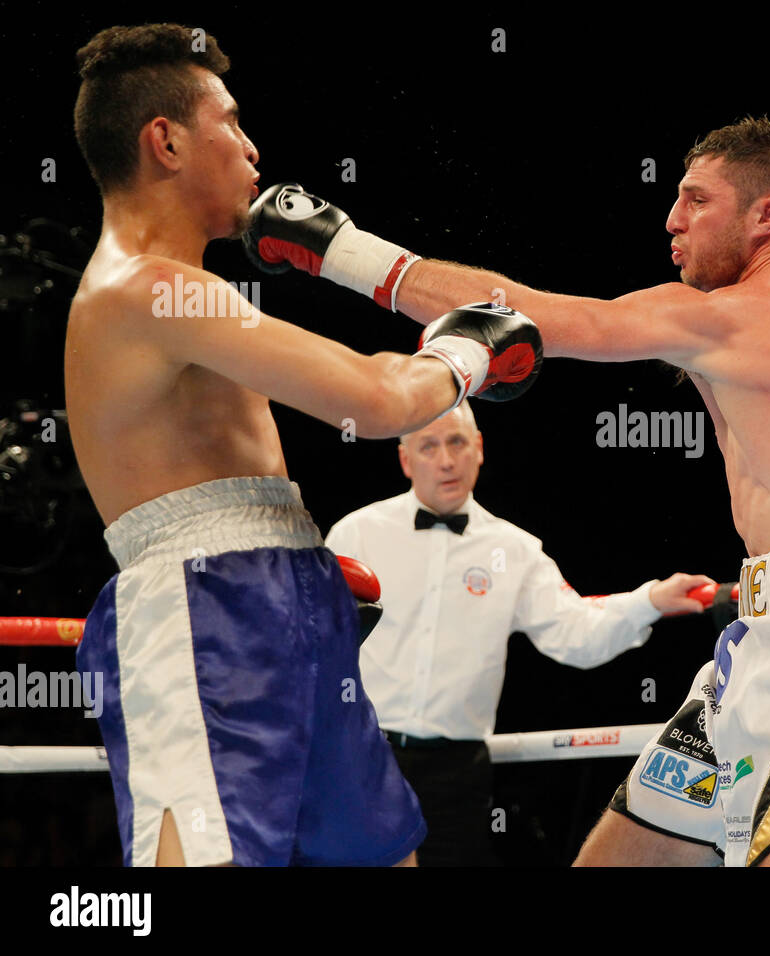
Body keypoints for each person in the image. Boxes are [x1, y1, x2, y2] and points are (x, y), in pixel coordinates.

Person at [245, 116, 770, 867]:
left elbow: (525, 314)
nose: (672, 219)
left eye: (698, 200)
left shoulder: (731, 318)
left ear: (767, 215)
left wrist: (343, 251)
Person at [64, 23, 540, 867]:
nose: (253, 150)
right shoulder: (146, 289)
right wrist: (468, 352)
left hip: (295, 592)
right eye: (234, 123)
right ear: (165, 140)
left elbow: (382, 371)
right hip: (202, 603)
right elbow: (382, 399)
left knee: (381, 856)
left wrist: (385, 284)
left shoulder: (188, 293)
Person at [322, 402, 714, 864]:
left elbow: (575, 632)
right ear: (406, 459)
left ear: (479, 448)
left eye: (457, 442)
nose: (446, 460)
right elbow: (316, 647)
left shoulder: (515, 549)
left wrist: (649, 600)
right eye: (428, 446)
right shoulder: (357, 533)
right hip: (362, 749)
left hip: (457, 772)